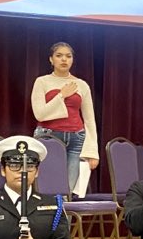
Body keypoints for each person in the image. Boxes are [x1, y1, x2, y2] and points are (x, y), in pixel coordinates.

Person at [31, 42, 99, 196]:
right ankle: (47, 219)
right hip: (48, 136)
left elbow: (89, 120)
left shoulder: (81, 85)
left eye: (68, 56)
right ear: (51, 59)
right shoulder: (42, 82)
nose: (64, 60)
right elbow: (40, 114)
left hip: (76, 137)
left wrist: (93, 152)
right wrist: (61, 95)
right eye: (59, 56)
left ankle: (64, 220)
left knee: (69, 190)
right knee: (47, 186)